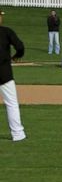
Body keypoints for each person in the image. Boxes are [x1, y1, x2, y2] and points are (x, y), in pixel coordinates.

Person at [0, 11, 27, 142]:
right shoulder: (6, 32)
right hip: (4, 73)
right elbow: (20, 47)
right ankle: (18, 134)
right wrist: (16, 56)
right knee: (11, 104)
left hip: (5, 73)